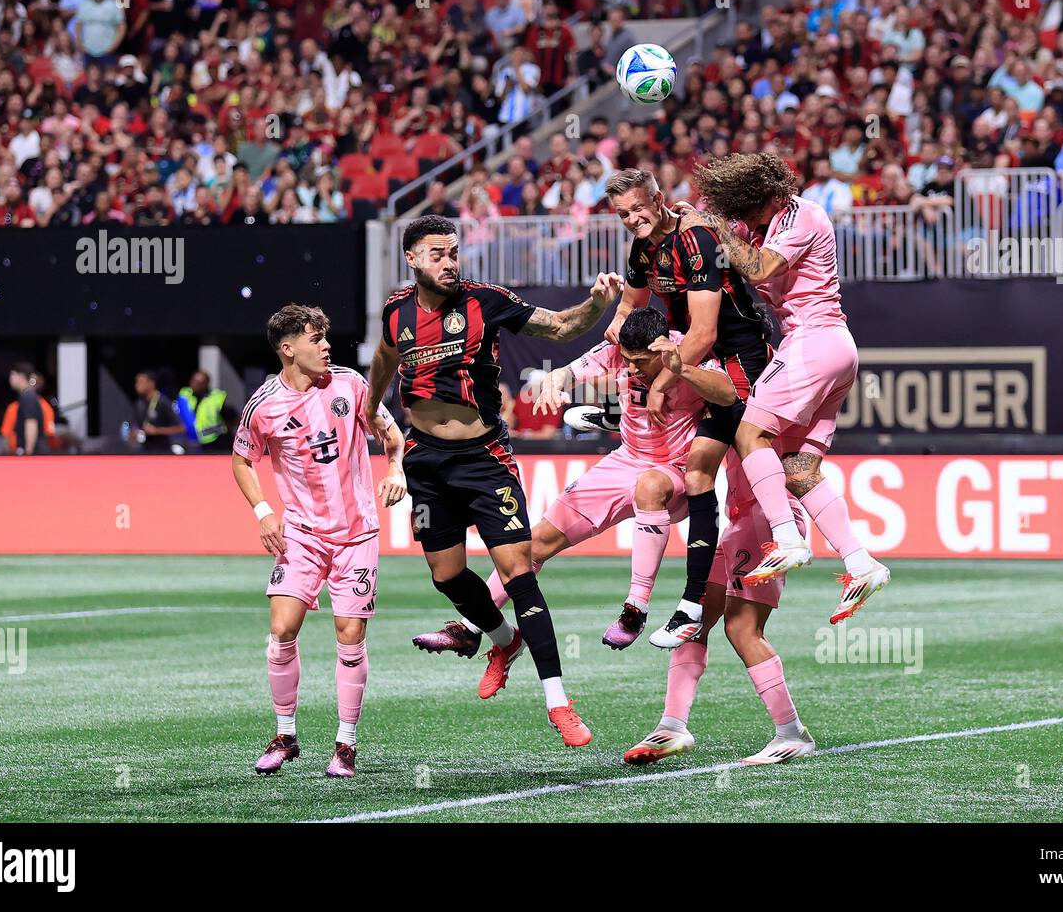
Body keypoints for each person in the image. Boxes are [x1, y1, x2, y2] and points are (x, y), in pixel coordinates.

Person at [364, 215, 622, 747]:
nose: (450, 262)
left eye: (454, 252)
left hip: (484, 457)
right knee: (446, 576)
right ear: (411, 258)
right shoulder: (396, 311)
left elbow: (559, 327)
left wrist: (597, 304)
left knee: (518, 570)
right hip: (424, 459)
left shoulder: (486, 301)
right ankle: (504, 641)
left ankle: (559, 702)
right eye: (437, 253)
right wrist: (371, 406)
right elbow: (385, 359)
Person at [413, 306, 740, 658]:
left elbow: (727, 394)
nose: (630, 368)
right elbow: (565, 373)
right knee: (534, 543)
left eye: (640, 361)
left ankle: (636, 609)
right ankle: (472, 627)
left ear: (661, 349)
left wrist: (682, 370)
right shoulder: (617, 352)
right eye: (627, 359)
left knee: (648, 486)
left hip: (672, 470)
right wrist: (552, 384)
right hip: (623, 461)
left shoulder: (684, 350)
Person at [679, 152, 891, 626]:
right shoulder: (764, 223)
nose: (740, 218)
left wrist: (710, 221)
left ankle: (786, 537)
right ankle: (861, 563)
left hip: (813, 339)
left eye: (742, 208)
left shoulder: (800, 212)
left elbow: (757, 269)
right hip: (834, 348)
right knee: (798, 469)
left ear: (761, 197)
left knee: (750, 433)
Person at [232, 304, 406, 778]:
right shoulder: (263, 406)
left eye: (326, 337)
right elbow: (242, 460)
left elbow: (393, 435)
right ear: (288, 349)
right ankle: (286, 735)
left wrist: (395, 468)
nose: (327, 346)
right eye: (315, 339)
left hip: (357, 535)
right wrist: (264, 511)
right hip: (302, 536)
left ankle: (345, 744)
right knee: (282, 630)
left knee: (350, 637)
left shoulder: (350, 384)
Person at [602, 168, 772, 650]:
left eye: (638, 208)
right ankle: (694, 605)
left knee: (712, 475)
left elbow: (703, 334)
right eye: (623, 214)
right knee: (700, 476)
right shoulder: (641, 250)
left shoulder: (696, 240)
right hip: (692, 361)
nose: (633, 218)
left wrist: (658, 383)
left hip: (738, 363)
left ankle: (697, 600)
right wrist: (613, 326)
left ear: (658, 199)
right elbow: (630, 310)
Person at [625, 449, 816, 766]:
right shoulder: (738, 407)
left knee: (743, 629)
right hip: (740, 519)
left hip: (764, 518)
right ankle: (672, 725)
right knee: (692, 618)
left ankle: (791, 733)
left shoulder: (754, 408)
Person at [178, 370, 238, 451]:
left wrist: (215, 430)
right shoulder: (186, 396)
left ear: (205, 384)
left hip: (217, 443)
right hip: (193, 443)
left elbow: (235, 419)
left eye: (198, 383)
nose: (193, 384)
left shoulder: (217, 398)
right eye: (193, 381)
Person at [131, 370, 186, 453]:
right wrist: (134, 433)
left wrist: (157, 431)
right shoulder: (139, 403)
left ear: (151, 383)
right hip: (144, 450)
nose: (137, 385)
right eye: (136, 382)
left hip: (162, 451)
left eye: (141, 382)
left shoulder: (163, 402)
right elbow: (134, 426)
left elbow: (181, 428)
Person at [8, 363, 44, 455]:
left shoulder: (28, 396)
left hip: (35, 452)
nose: (10, 378)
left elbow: (31, 422)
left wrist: (28, 450)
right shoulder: (26, 395)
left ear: (20, 376)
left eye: (13, 374)